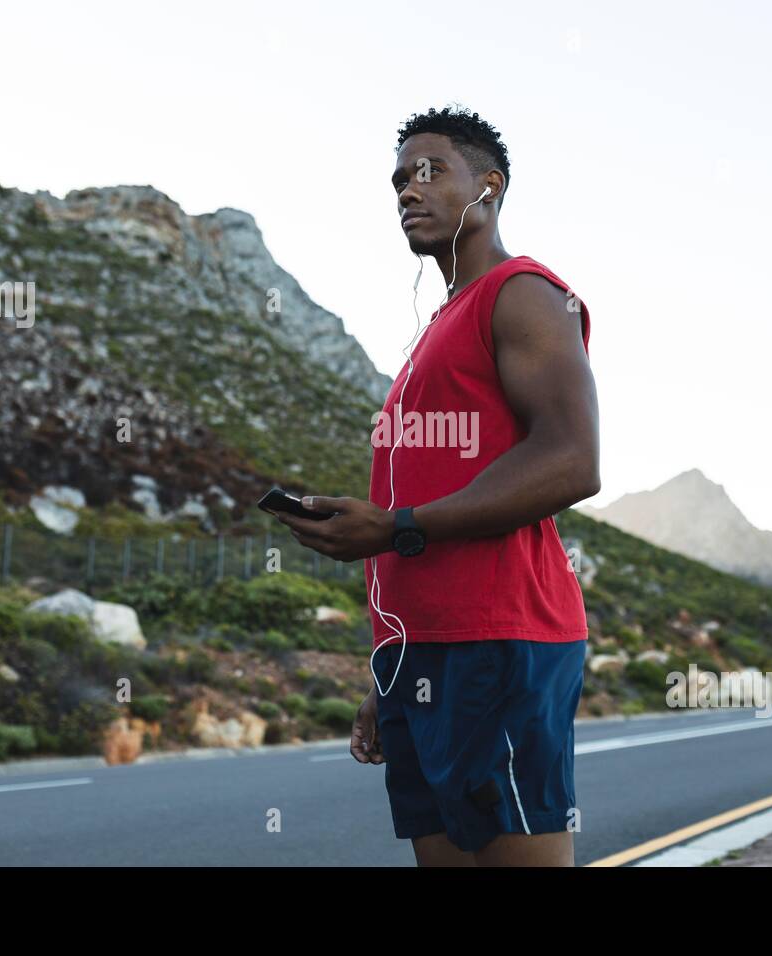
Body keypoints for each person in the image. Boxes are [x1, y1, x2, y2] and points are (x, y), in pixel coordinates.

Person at [270, 104, 599, 866]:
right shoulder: (437, 328)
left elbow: (573, 460)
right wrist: (392, 671)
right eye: (397, 181)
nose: (406, 193)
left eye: (428, 173)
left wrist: (396, 526)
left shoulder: (524, 293)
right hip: (422, 654)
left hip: (502, 636)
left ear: (490, 188)